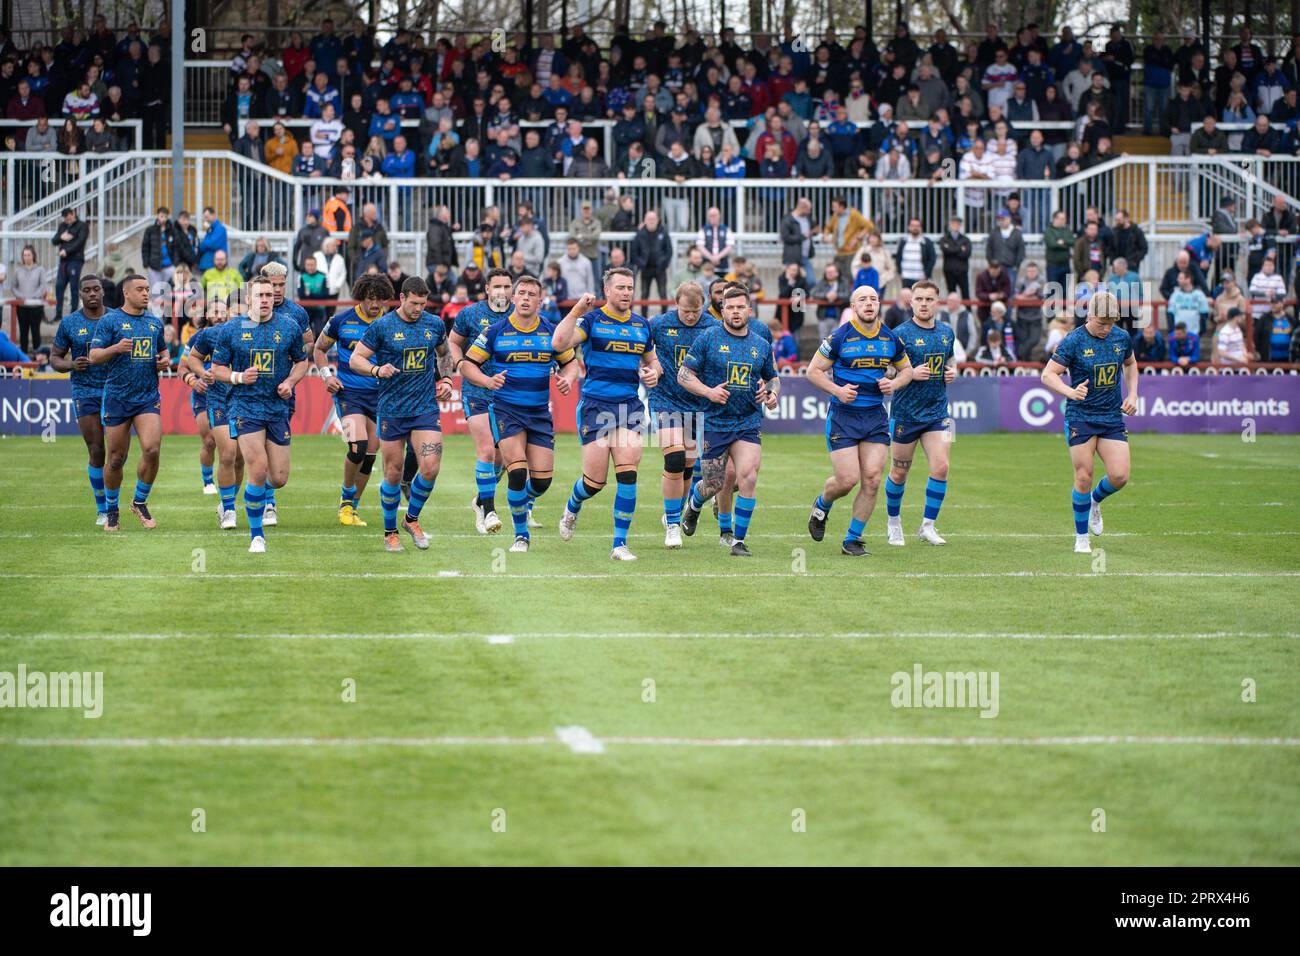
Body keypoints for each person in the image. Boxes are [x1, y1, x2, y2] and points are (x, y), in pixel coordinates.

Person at [462, 275, 579, 552]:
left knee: (541, 481)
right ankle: (521, 536)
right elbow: (467, 365)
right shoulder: (495, 331)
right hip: (506, 411)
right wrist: (487, 381)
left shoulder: (552, 332)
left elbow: (572, 363)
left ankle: (516, 502)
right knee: (516, 472)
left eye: (532, 294)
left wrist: (568, 378)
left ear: (540, 300)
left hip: (539, 413)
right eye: (521, 293)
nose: (526, 298)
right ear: (513, 298)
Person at [552, 269, 662, 561]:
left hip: (628, 406)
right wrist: (576, 309)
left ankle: (619, 544)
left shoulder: (642, 325)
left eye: (630, 287)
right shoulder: (591, 320)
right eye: (621, 288)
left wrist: (654, 374)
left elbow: (654, 362)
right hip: (595, 406)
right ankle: (573, 506)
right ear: (607, 290)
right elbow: (559, 344)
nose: (627, 293)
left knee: (628, 473)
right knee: (594, 482)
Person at [805, 284, 914, 556]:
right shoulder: (840, 336)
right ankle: (822, 505)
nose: (869, 303)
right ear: (853, 307)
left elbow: (907, 370)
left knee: (873, 479)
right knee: (846, 480)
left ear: (879, 305)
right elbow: (813, 371)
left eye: (873, 299)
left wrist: (895, 384)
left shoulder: (890, 338)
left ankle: (852, 539)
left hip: (875, 416)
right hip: (844, 417)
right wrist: (838, 391)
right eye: (862, 299)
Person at [675, 282, 780, 557]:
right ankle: (694, 505)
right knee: (714, 483)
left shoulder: (761, 343)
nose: (735, 312)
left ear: (749, 309)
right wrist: (708, 392)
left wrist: (771, 394)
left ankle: (738, 540)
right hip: (714, 422)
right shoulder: (708, 338)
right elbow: (683, 375)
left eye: (740, 307)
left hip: (748, 422)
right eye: (730, 307)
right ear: (722, 310)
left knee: (748, 477)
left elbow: (774, 378)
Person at [349, 277, 453, 552]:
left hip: (424, 408)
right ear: (402, 297)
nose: (419, 308)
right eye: (414, 303)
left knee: (430, 467)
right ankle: (389, 531)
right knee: (393, 473)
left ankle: (411, 519)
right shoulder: (383, 326)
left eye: (423, 303)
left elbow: (444, 354)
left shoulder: (434, 324)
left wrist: (447, 380)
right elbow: (355, 358)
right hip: (392, 410)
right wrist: (376, 370)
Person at [210, 276, 309, 554]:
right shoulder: (231, 329)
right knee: (257, 467)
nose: (265, 299)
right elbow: (216, 369)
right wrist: (239, 377)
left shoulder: (289, 327)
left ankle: (255, 501)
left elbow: (302, 361)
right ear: (249, 298)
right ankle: (257, 536)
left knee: (278, 477)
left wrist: (290, 382)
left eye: (269, 294)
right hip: (245, 406)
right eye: (260, 295)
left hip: (277, 407)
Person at [1040, 290, 1137, 554]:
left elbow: (1130, 364)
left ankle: (1095, 501)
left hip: (1110, 417)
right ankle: (1081, 537)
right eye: (1102, 323)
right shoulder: (1073, 340)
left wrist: (1133, 393)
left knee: (1120, 476)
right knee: (1083, 476)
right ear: (1090, 315)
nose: (1107, 329)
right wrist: (1070, 392)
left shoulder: (1121, 337)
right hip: (1080, 417)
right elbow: (1048, 375)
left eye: (1111, 323)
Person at [87, 274, 167, 532]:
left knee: (152, 449)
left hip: (147, 397)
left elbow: (163, 351)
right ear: (127, 293)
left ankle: (139, 501)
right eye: (141, 289)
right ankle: (112, 509)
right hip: (117, 398)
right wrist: (115, 349)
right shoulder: (110, 321)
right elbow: (95, 355)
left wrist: (164, 360)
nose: (146, 294)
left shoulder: (155, 323)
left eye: (147, 289)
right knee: (116, 458)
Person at [883, 280, 956, 547]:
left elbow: (950, 359)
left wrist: (952, 371)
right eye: (919, 299)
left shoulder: (947, 332)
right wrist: (909, 373)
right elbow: (887, 370)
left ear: (937, 302)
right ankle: (893, 522)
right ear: (910, 302)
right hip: (905, 413)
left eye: (929, 299)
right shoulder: (899, 334)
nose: (924, 304)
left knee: (942, 467)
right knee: (899, 472)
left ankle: (928, 525)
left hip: (937, 412)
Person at [314, 273, 390, 528]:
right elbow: (319, 349)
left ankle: (353, 508)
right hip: (350, 393)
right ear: (361, 297)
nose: (376, 305)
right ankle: (346, 501)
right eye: (371, 299)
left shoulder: (390, 323)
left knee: (370, 454)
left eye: (380, 299)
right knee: (357, 446)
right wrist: (326, 376)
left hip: (381, 395)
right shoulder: (341, 321)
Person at [647, 281, 717, 548]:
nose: (690, 316)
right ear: (675, 304)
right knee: (674, 458)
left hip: (697, 403)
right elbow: (640, 348)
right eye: (686, 310)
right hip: (665, 398)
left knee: (688, 465)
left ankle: (672, 513)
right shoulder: (659, 324)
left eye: (696, 310)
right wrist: (650, 369)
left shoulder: (712, 327)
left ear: (704, 306)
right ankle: (673, 524)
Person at [447, 267, 514, 534]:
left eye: (507, 286)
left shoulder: (519, 313)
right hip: (477, 389)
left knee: (505, 459)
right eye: (497, 286)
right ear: (487, 289)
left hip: (509, 393)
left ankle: (480, 499)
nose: (502, 291)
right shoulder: (470, 314)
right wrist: (460, 361)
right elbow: (453, 342)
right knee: (486, 450)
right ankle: (489, 511)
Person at [50, 273, 109, 524]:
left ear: (103, 291)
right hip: (84, 390)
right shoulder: (70, 323)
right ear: (80, 294)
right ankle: (102, 508)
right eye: (87, 290)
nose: (92, 293)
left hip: (115, 389)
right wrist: (72, 364)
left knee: (118, 453)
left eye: (96, 289)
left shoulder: (115, 318)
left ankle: (115, 501)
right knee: (97, 449)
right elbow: (54, 358)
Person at [183, 297, 245, 529]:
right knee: (225, 453)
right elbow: (191, 360)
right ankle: (229, 509)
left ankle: (227, 501)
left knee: (240, 458)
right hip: (217, 398)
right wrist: (198, 374)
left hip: (245, 400)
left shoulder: (257, 332)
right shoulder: (208, 335)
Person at [4, 245, 50, 354]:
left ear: (33, 256)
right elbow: (13, 286)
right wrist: (21, 297)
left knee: (35, 332)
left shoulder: (40, 269)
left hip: (36, 306)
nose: (27, 257)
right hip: (22, 307)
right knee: (23, 332)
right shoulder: (18, 270)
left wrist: (33, 296)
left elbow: (43, 286)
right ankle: (23, 357)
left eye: (29, 255)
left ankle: (38, 358)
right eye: (25, 255)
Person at [52, 208, 88, 322]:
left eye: (69, 218)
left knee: (74, 287)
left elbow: (80, 242)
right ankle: (58, 314)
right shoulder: (63, 226)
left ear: (73, 214)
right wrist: (61, 237)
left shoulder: (82, 226)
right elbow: (54, 240)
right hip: (63, 261)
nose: (67, 221)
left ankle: (73, 315)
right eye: (65, 219)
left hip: (75, 260)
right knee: (59, 287)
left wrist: (67, 251)